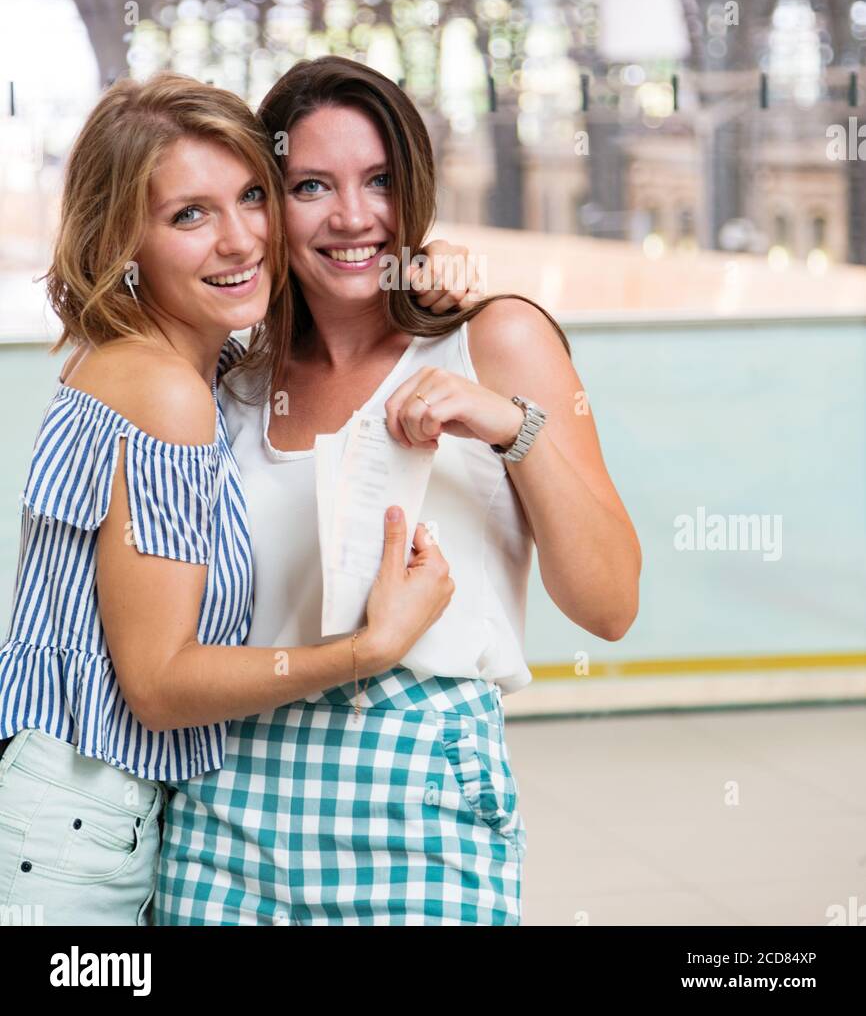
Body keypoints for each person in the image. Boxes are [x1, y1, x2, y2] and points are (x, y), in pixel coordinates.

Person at [154, 56, 642, 926]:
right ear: (267, 201)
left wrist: (507, 424)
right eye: (309, 186)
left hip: (421, 807)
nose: (352, 217)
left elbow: (608, 604)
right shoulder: (230, 376)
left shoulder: (495, 339)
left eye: (380, 181)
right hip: (224, 809)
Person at [0, 71, 473, 926]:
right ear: (122, 243)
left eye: (254, 196)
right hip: (71, 830)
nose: (240, 239)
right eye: (189, 214)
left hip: (64, 804)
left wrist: (410, 272)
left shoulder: (148, 363)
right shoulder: (168, 397)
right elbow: (158, 682)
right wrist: (371, 649)